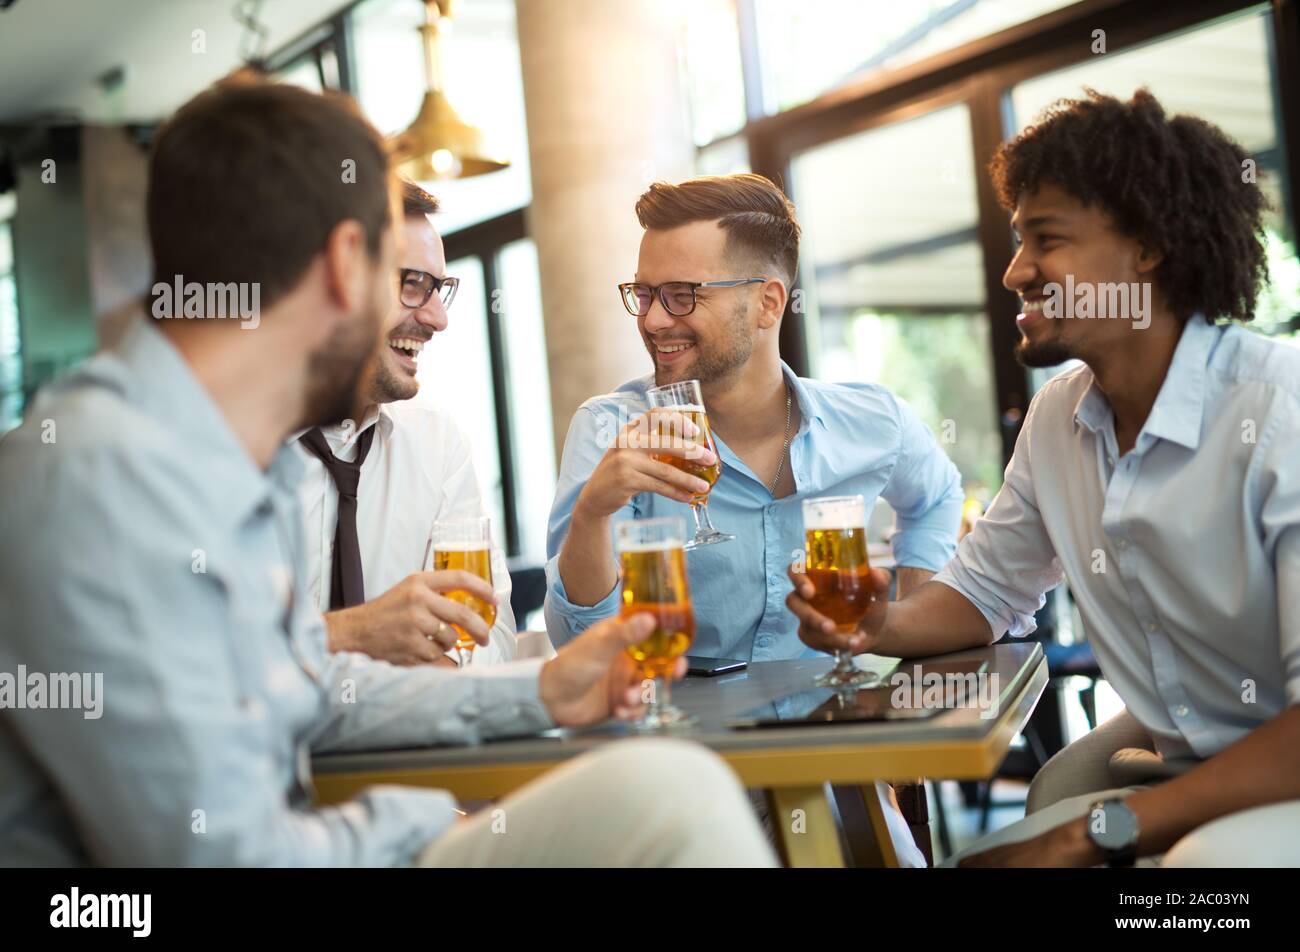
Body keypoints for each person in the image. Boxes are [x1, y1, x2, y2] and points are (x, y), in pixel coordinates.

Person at [0, 78, 773, 867]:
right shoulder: (98, 479)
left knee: (665, 786)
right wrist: (430, 823)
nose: (436, 317)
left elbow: (312, 688)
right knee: (675, 800)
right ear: (344, 263)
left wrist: (542, 689)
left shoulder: (219, 464)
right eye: (401, 277)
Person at [786, 89, 1300, 866]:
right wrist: (874, 626)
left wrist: (1087, 836)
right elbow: (986, 592)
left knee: (1190, 871)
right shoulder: (1061, 416)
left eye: (1044, 238)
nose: (1015, 271)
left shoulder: (1278, 413)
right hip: (1190, 756)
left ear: (1149, 247)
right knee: (1044, 804)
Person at [545, 173, 964, 663]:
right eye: (644, 294)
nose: (654, 320)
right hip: (689, 732)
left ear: (768, 304)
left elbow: (937, 497)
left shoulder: (875, 422)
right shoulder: (610, 431)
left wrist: (911, 619)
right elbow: (580, 650)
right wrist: (592, 513)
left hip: (839, 718)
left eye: (682, 295)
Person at [298, 180, 515, 668]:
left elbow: (492, 633)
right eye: (412, 283)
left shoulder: (437, 443)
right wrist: (350, 634)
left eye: (440, 288)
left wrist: (427, 668)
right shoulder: (227, 452)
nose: (438, 319)